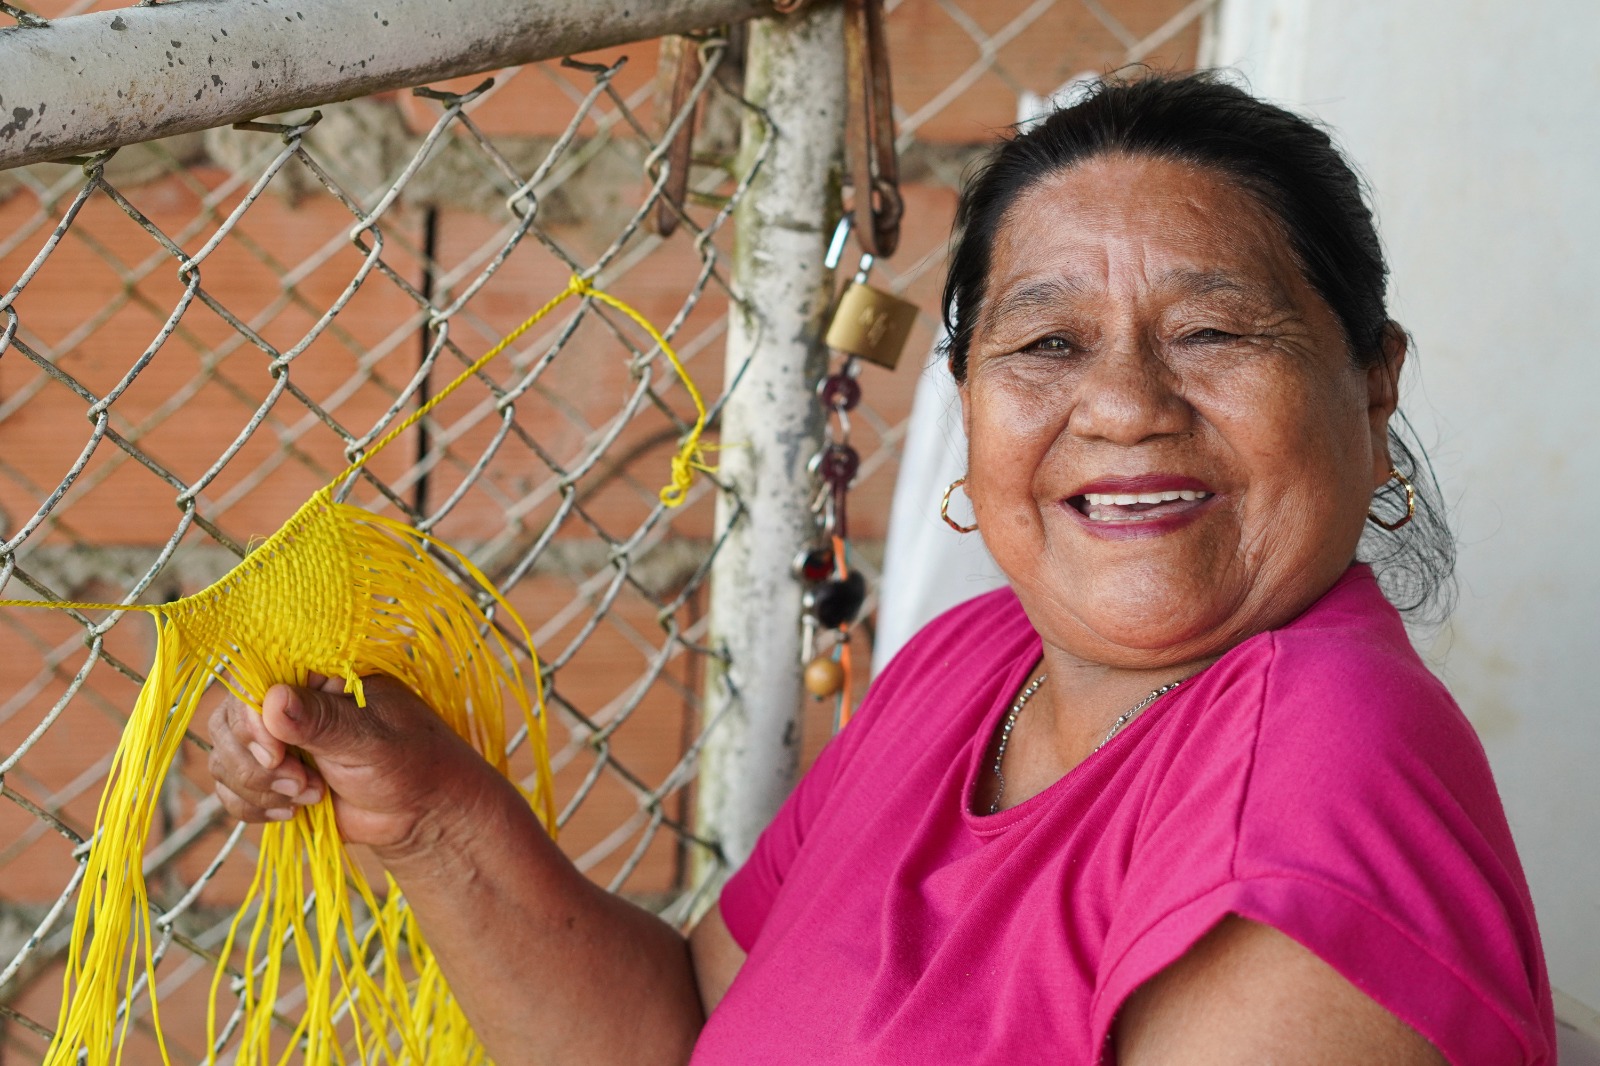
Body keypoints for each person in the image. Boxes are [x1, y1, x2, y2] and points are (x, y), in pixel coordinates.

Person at [208, 73, 1554, 1064]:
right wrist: (430, 810)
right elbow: (685, 1034)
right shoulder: (970, 670)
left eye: (1212, 330)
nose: (1127, 404)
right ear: (968, 406)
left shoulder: (1315, 778)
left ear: (1371, 391)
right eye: (1047, 346)